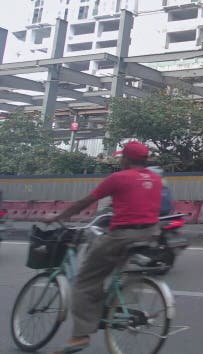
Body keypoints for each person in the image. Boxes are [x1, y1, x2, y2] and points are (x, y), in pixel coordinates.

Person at [44, 141, 162, 354]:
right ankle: (110, 302)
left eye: (121, 157)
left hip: (122, 236)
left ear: (125, 159)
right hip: (150, 234)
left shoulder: (118, 178)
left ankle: (79, 336)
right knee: (107, 265)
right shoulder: (155, 179)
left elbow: (86, 201)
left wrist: (59, 216)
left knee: (84, 281)